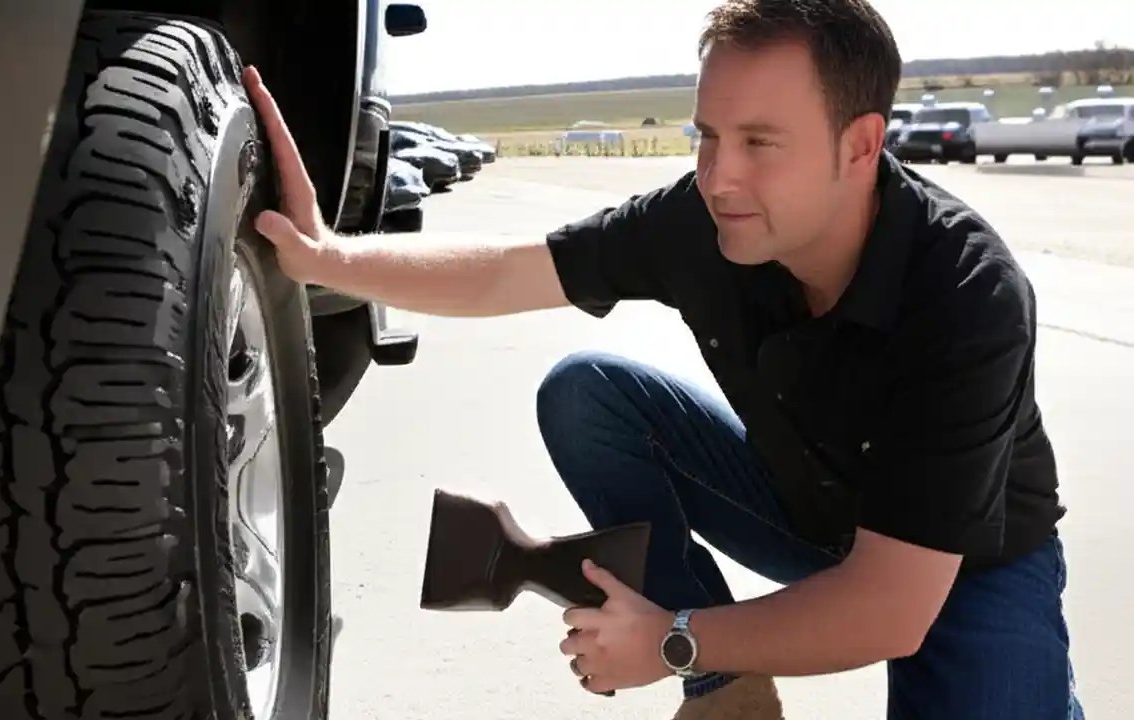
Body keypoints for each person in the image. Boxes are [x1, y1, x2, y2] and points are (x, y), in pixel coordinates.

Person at [241, 0, 1082, 717]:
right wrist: (330, 258)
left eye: (761, 142)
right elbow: (510, 270)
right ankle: (732, 684)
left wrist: (670, 640)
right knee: (588, 395)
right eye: (707, 135)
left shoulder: (968, 293)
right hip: (806, 512)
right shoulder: (703, 225)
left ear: (860, 144)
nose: (719, 176)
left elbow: (890, 607)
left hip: (965, 564)